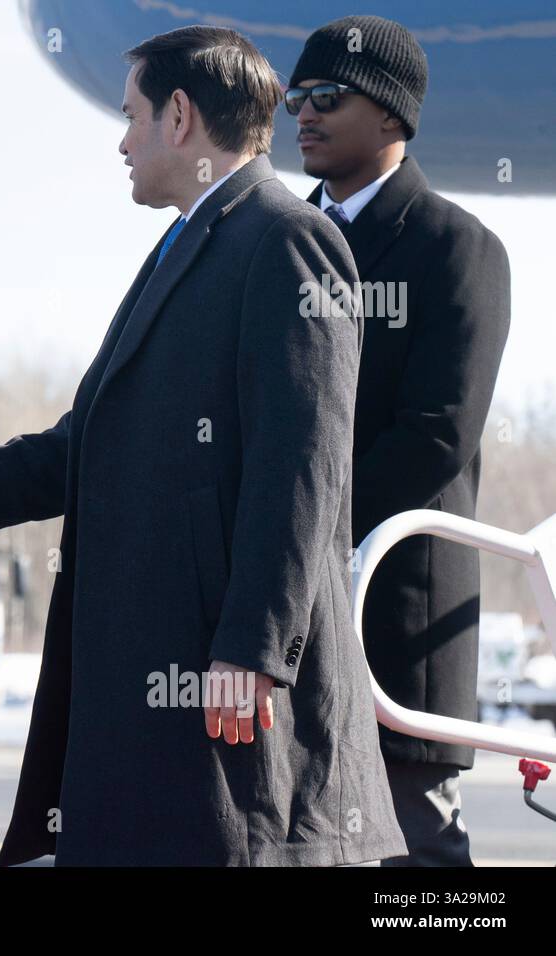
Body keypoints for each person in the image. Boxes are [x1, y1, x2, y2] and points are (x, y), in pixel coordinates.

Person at [0, 26, 408, 865]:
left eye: (133, 115)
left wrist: (254, 647)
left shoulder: (285, 239)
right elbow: (94, 442)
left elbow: (304, 464)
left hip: (224, 699)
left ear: (180, 116)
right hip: (150, 697)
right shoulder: (193, 241)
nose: (122, 141)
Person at [288, 15, 511, 866]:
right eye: (293, 99)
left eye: (325, 98)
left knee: (413, 870)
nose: (300, 116)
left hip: (390, 614)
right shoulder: (270, 245)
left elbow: (435, 436)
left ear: (390, 115)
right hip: (277, 621)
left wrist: (295, 529)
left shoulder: (458, 249)